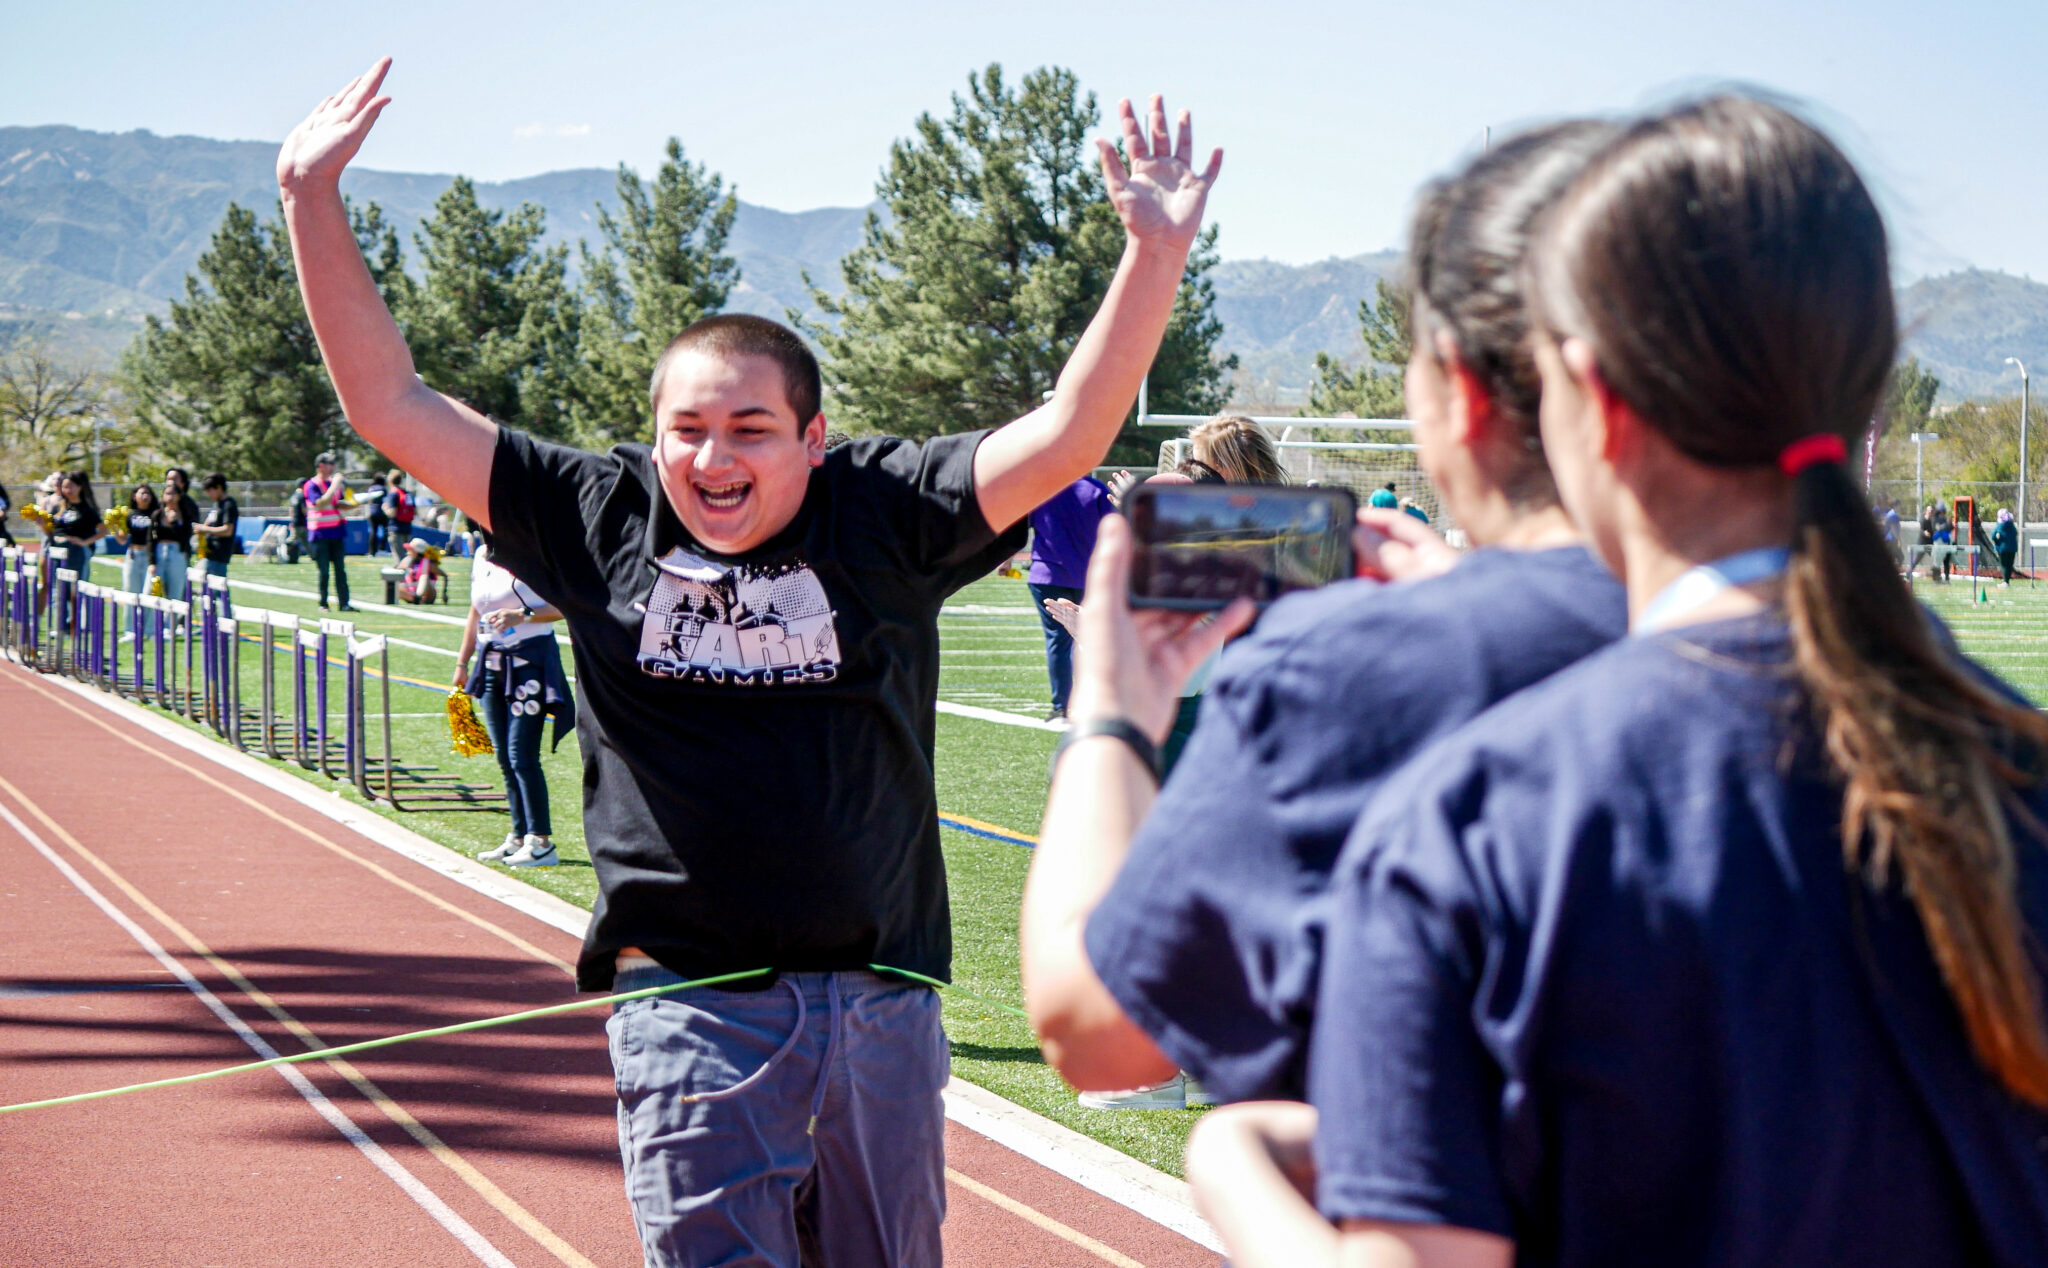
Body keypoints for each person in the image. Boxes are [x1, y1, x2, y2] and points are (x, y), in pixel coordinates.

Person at [278, 57, 1222, 1266]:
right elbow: (389, 402)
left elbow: (1069, 432)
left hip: (880, 995)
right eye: (687, 428)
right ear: (652, 430)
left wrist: (1150, 254)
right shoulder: (591, 510)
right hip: (688, 1007)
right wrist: (310, 198)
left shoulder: (882, 505)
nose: (712, 457)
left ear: (812, 439)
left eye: (749, 428)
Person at [1190, 95, 2048, 1268]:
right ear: (1865, 397)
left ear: (1587, 397)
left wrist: (1231, 1166)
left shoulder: (1482, 820)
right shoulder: (2013, 763)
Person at [1022, 123, 1629, 1114]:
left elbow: (1093, 1028)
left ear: (1456, 394)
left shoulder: (1346, 670)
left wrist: (1109, 708)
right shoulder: (1907, 687)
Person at [456, 531, 574, 868]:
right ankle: (519, 835)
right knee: (506, 759)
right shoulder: (481, 555)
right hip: (491, 662)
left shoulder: (534, 548)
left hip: (530, 664)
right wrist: (462, 662)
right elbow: (474, 612)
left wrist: (521, 615)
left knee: (521, 755)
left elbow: (563, 605)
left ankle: (542, 842)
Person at [1027, 474, 1115, 720]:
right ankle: (1096, 701)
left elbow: (1019, 529)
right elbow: (1114, 531)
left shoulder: (1045, 487)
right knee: (1094, 639)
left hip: (1048, 575)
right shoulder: (1096, 489)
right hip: (1089, 576)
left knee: (1057, 640)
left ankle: (1060, 705)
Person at [41, 470, 102, 630]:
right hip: (56, 552)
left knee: (77, 589)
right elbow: (50, 532)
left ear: (79, 487)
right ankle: (61, 626)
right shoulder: (58, 507)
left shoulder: (86, 509)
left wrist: (85, 542)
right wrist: (41, 524)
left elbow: (103, 530)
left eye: (70, 486)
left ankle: (78, 625)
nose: (67, 490)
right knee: (58, 590)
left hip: (76, 553)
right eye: (64, 487)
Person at [302, 451, 356, 611]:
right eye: (329, 464)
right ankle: (323, 603)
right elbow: (320, 502)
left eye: (333, 464)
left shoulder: (335, 484)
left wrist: (355, 502)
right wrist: (335, 484)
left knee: (340, 570)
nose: (333, 467)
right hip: (320, 534)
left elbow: (340, 503)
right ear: (321, 466)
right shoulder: (311, 484)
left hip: (337, 531)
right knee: (324, 571)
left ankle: (344, 603)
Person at [112, 483, 161, 602]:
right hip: (133, 554)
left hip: (150, 556)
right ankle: (130, 620)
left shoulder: (156, 514)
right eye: (142, 493)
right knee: (130, 592)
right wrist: (113, 527)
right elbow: (122, 540)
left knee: (149, 594)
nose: (146, 496)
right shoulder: (130, 514)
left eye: (148, 493)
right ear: (134, 496)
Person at [193, 473, 241, 589]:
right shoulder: (217, 505)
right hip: (209, 553)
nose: (208, 494)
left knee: (217, 592)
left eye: (210, 490)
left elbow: (227, 530)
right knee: (206, 590)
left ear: (219, 487)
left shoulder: (229, 504)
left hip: (219, 554)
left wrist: (204, 529)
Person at [153, 474, 193, 604]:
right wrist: (151, 561)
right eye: (167, 494)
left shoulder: (185, 514)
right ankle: (153, 624)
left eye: (173, 494)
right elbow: (151, 538)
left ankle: (171, 623)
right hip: (160, 552)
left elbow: (185, 538)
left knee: (175, 595)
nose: (170, 497)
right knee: (155, 591)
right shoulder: (157, 514)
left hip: (177, 553)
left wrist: (174, 523)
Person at [397, 537, 445, 603]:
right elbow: (396, 573)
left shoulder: (428, 563)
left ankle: (418, 597)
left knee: (424, 577)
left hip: (428, 595)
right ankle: (416, 600)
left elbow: (444, 575)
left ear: (416, 552)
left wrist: (444, 593)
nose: (408, 551)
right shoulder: (407, 560)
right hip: (411, 591)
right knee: (393, 585)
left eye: (410, 549)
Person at [384, 468, 416, 558]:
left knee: (399, 558)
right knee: (407, 557)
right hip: (407, 528)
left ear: (390, 481)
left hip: (396, 528)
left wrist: (385, 509)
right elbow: (414, 511)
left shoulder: (393, 494)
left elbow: (392, 513)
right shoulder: (407, 493)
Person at [364, 472, 389, 557]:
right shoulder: (383, 488)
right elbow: (386, 501)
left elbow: (367, 501)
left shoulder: (370, 488)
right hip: (381, 513)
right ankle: (381, 549)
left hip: (371, 513)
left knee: (373, 532)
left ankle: (371, 552)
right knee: (386, 531)